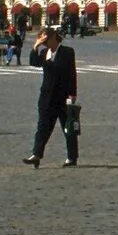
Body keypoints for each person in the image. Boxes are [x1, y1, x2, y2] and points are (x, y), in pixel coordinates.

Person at [23, 28, 78, 167]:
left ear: (53, 37)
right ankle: (36, 155)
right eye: (43, 41)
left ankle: (72, 157)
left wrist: (73, 93)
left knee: (68, 128)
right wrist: (36, 45)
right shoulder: (43, 52)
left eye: (46, 40)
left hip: (63, 96)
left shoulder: (67, 52)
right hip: (46, 96)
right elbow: (33, 62)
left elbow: (72, 73)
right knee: (42, 127)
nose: (45, 43)